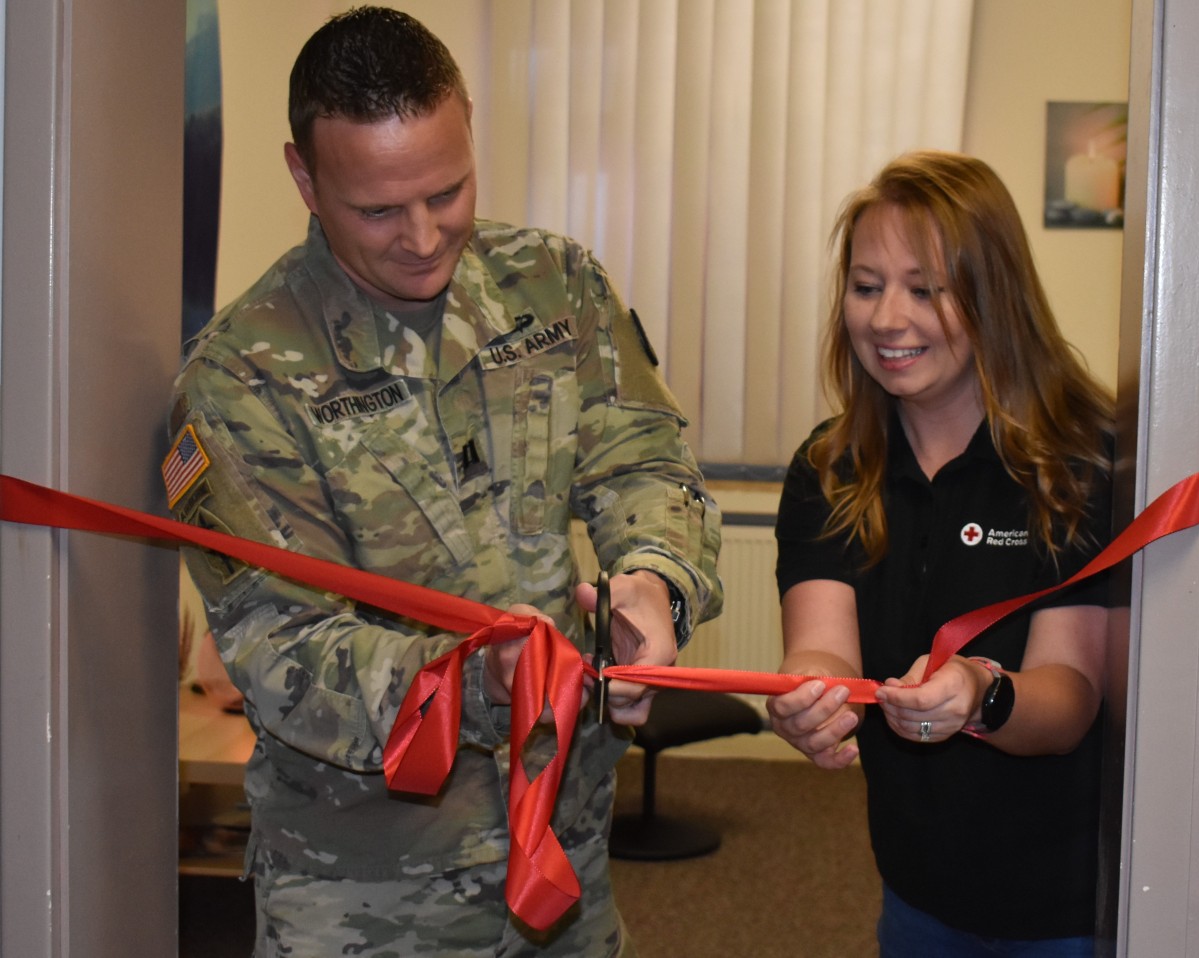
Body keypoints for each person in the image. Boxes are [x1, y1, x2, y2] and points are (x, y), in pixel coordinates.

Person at [163, 8, 722, 956]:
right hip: (365, 895)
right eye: (378, 209)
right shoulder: (241, 378)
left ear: (467, 122)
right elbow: (281, 649)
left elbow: (647, 465)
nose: (424, 236)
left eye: (448, 190)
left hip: (562, 853)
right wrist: (477, 680)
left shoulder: (555, 288)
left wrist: (653, 585)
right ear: (303, 175)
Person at [768, 150, 1113, 957]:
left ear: (994, 297)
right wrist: (808, 703)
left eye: (926, 289)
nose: (888, 319)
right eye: (866, 286)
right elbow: (821, 647)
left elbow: (1071, 696)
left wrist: (981, 694)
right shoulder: (829, 467)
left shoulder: (1074, 464)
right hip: (916, 885)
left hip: (1060, 905)